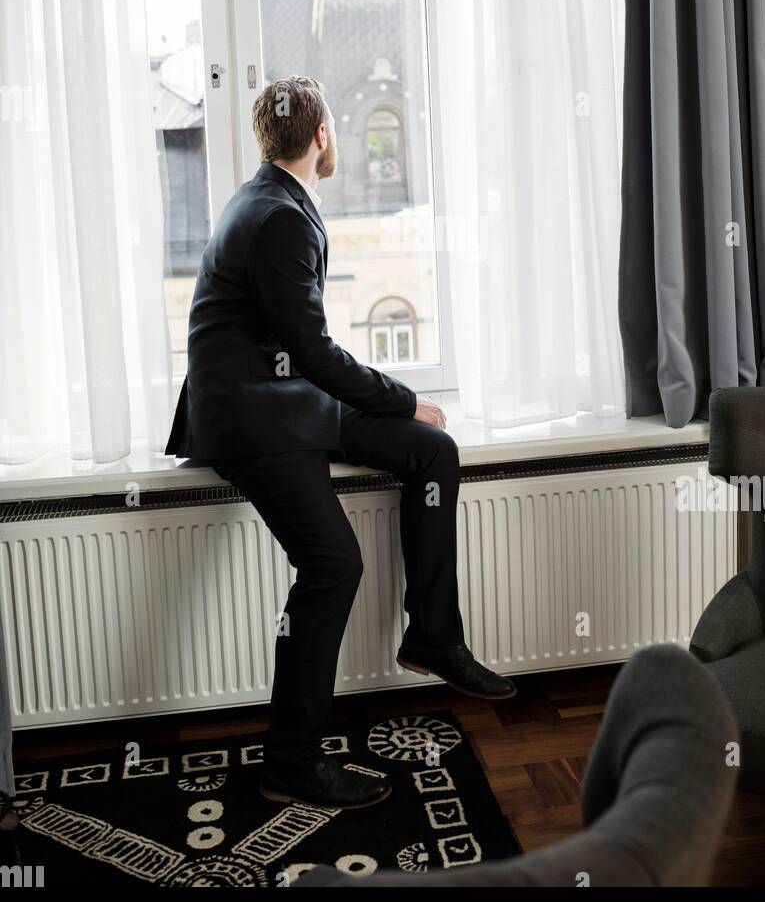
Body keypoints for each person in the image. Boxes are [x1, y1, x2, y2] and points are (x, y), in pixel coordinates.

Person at [166, 76, 514, 810]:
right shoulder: (278, 217)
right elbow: (314, 352)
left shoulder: (267, 198)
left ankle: (433, 637)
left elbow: (305, 359)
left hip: (288, 400)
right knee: (332, 566)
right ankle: (289, 762)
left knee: (431, 454)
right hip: (258, 421)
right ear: (322, 135)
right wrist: (407, 399)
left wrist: (404, 417)